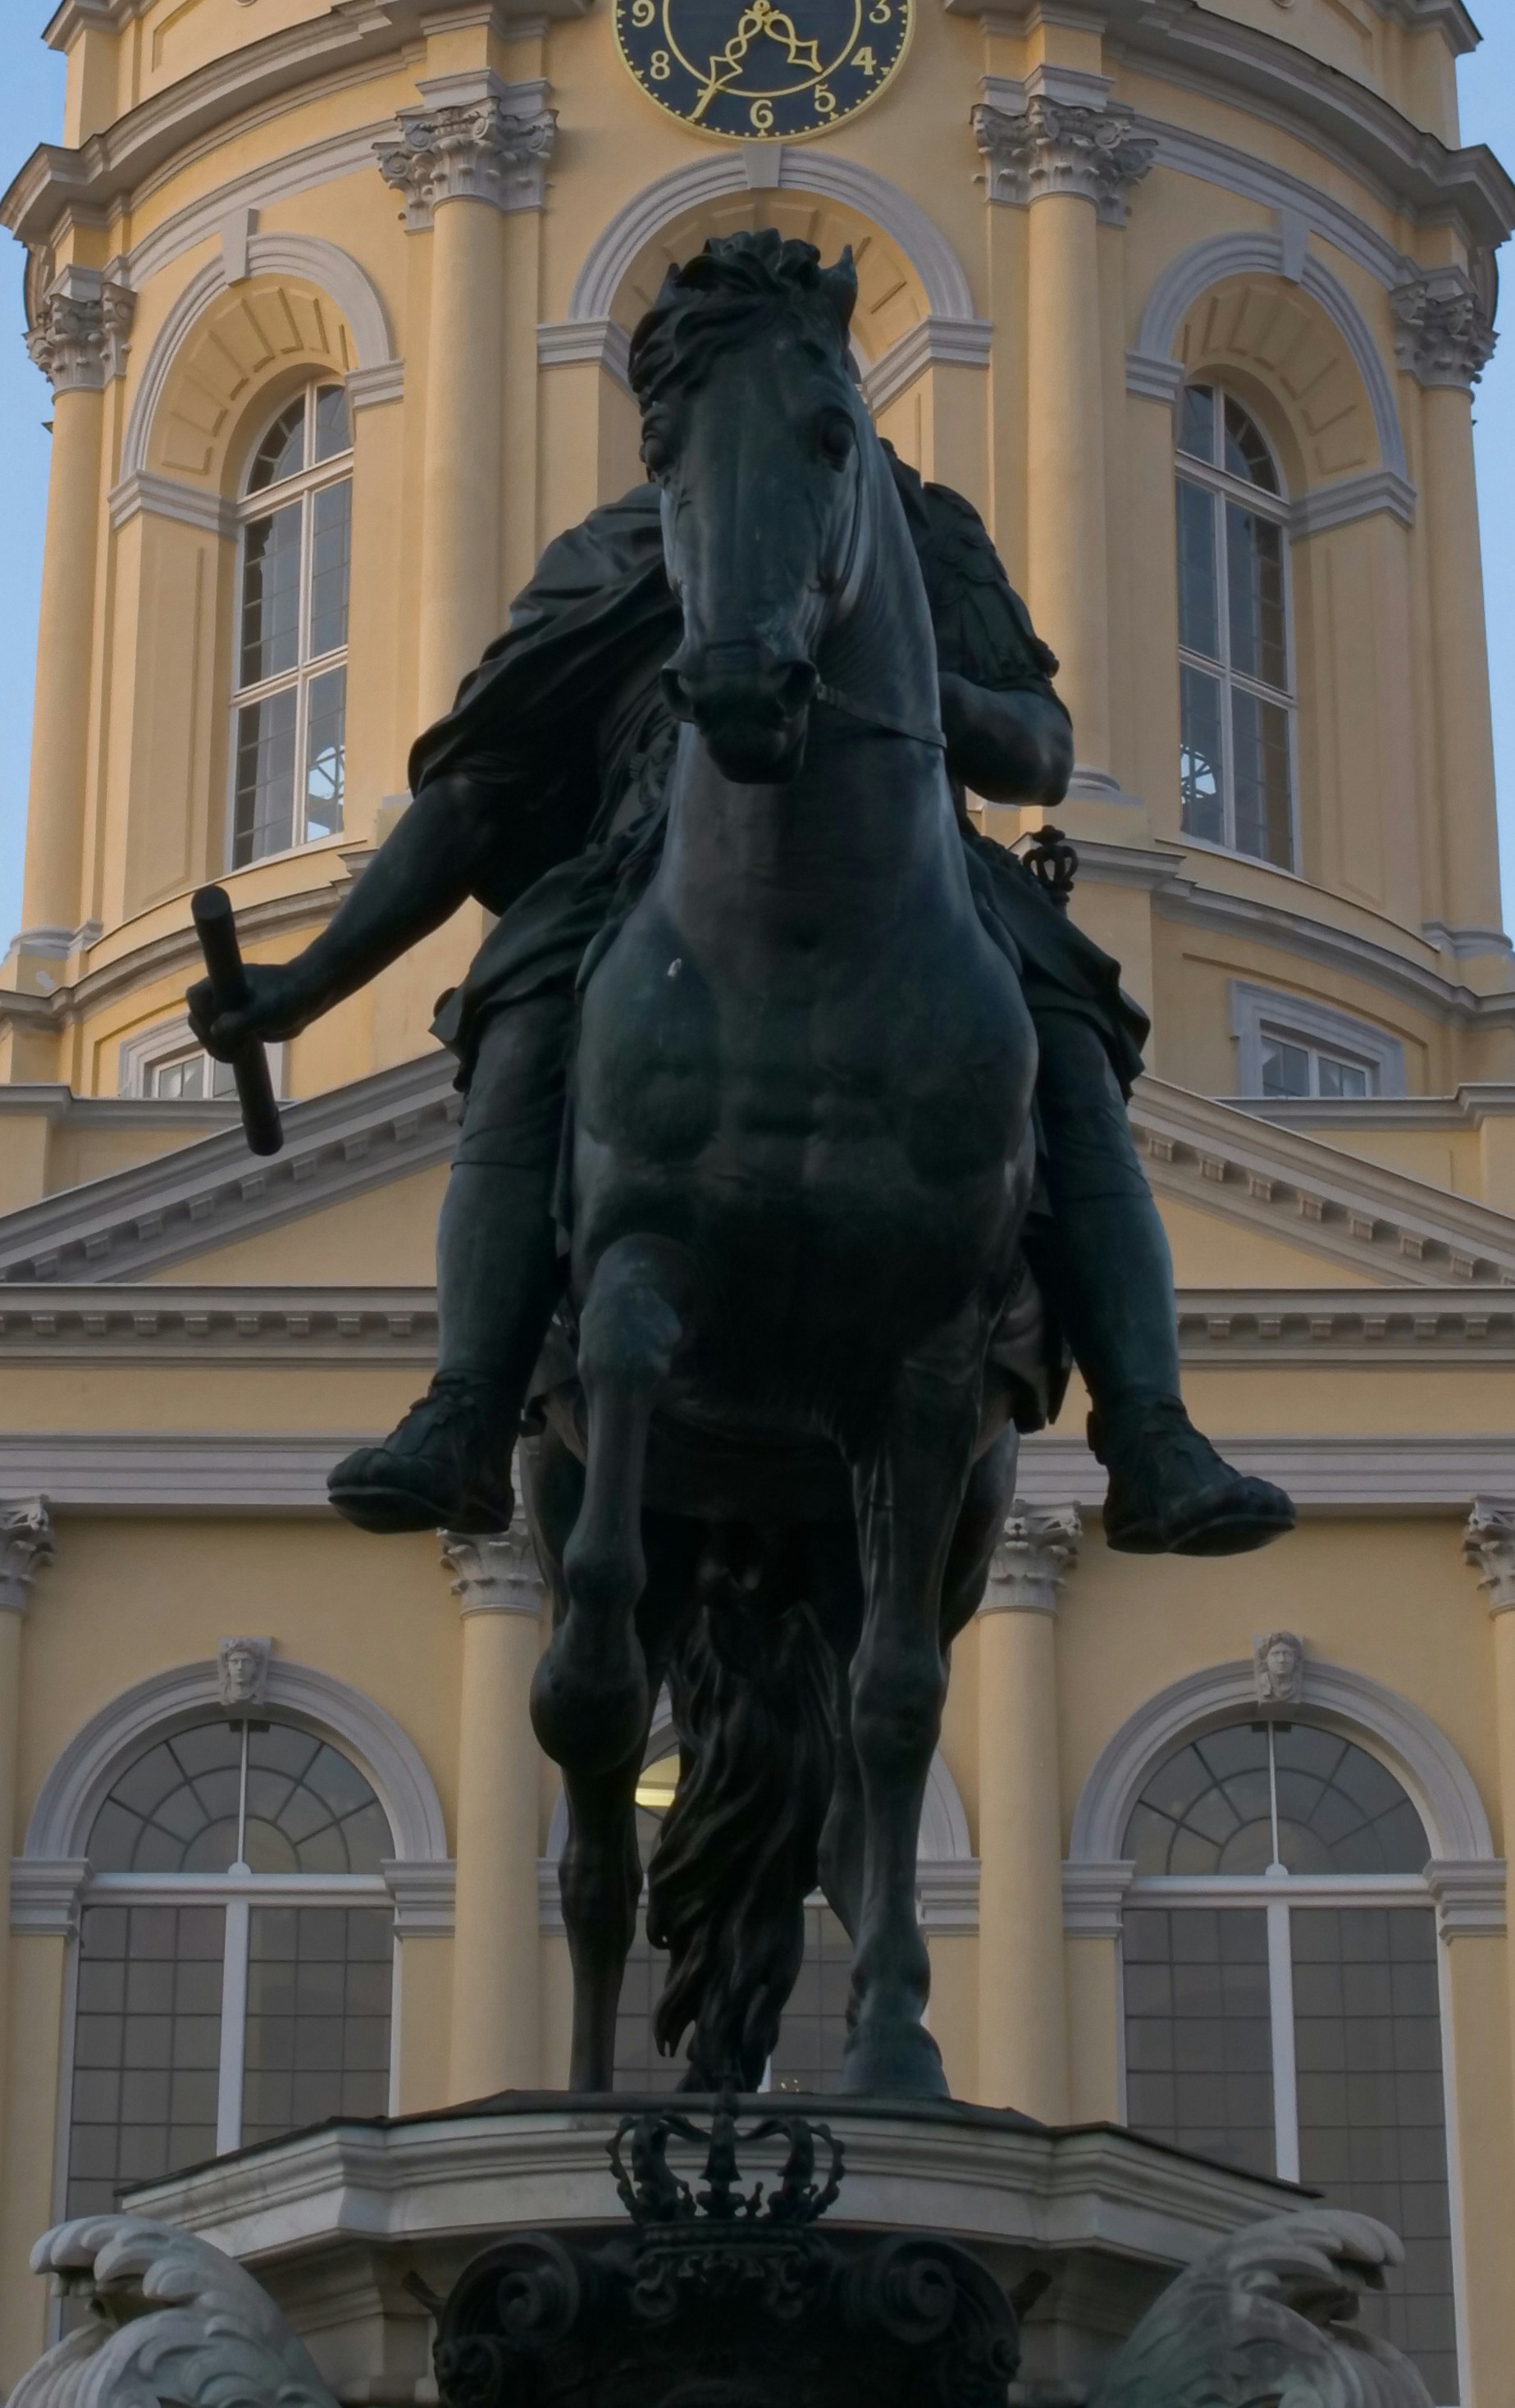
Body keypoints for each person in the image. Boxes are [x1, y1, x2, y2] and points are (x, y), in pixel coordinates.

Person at [192, 288, 1290, 1565]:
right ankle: (469, 1406)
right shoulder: (616, 550)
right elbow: (478, 790)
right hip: (637, 864)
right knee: (522, 1014)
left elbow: (1039, 752)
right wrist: (306, 984)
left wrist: (892, 664)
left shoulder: (921, 533)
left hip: (917, 862)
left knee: (1071, 1037)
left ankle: (1150, 1430)